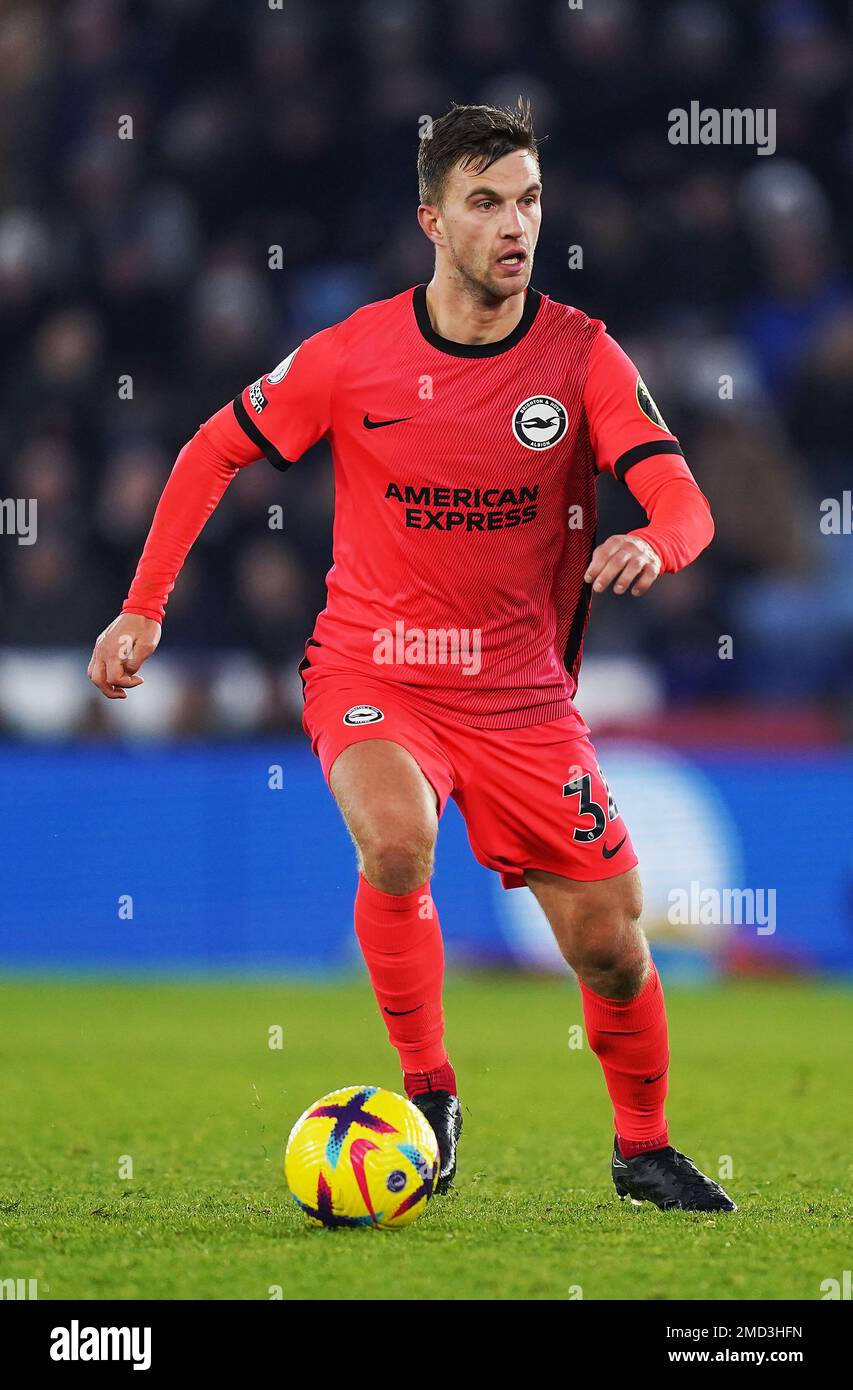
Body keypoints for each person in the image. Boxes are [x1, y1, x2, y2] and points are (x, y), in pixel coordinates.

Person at [88, 99, 735, 1212]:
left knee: (611, 945)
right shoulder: (353, 354)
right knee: (395, 841)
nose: (514, 225)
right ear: (432, 221)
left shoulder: (580, 355)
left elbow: (684, 499)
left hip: (523, 701)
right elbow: (210, 449)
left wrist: (652, 542)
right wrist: (143, 607)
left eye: (528, 200)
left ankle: (642, 1149)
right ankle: (429, 1091)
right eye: (485, 203)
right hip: (375, 668)